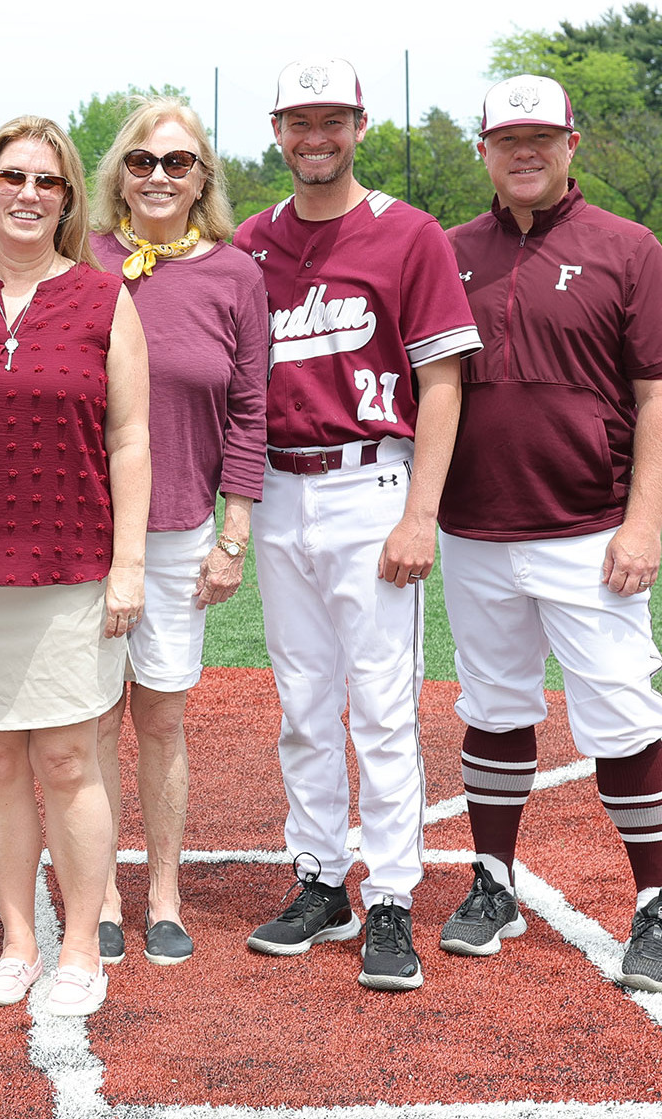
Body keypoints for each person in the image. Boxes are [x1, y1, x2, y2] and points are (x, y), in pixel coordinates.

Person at [442, 75, 662, 993]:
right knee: (494, 705)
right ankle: (493, 880)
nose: (525, 151)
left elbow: (661, 395)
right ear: (484, 149)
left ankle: (655, 904)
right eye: (507, 137)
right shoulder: (448, 252)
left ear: (570, 145)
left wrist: (644, 526)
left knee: (622, 712)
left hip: (590, 529)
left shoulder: (626, 248)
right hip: (471, 527)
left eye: (542, 136)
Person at [233, 58, 479, 992]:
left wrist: (422, 511)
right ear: (278, 130)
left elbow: (444, 381)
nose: (315, 137)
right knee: (302, 702)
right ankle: (320, 877)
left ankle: (393, 896)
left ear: (360, 126)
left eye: (331, 120)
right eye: (300, 121)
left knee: (381, 705)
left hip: (372, 485)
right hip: (280, 490)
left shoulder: (408, 234)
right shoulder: (251, 243)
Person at [0, 115, 151, 1017]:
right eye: (12, 176)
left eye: (47, 182)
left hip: (70, 561)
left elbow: (130, 437)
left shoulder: (104, 295)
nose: (27, 194)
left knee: (66, 757)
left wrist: (128, 565)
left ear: (68, 198)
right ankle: (18, 939)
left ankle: (81, 945)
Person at [85, 98, 269, 967]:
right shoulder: (79, 260)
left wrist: (233, 535)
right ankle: (98, 894)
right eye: (142, 160)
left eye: (179, 162)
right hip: (79, 531)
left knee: (159, 718)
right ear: (118, 172)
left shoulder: (236, 275)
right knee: (85, 721)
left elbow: (249, 408)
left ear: (203, 179)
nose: (159, 176)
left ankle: (161, 891)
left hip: (181, 531)